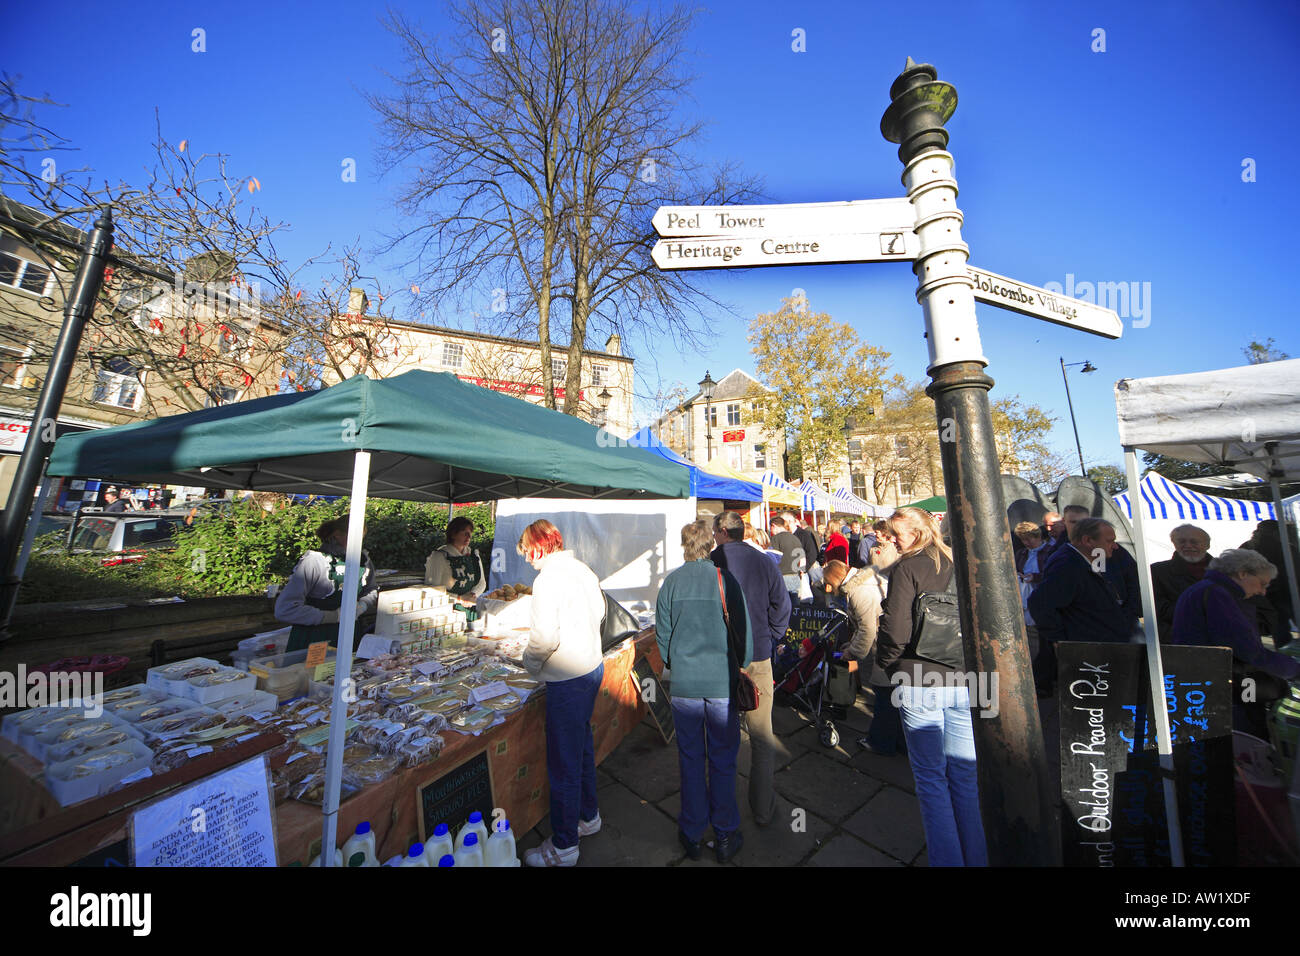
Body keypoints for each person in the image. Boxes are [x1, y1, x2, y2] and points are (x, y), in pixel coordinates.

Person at [875, 507, 986, 866]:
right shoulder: (965, 562)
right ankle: (976, 857)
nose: (890, 539)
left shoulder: (908, 568)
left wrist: (889, 663)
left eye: (897, 533)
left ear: (919, 534)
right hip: (966, 677)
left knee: (931, 779)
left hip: (920, 679)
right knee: (965, 776)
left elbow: (895, 631)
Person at [657, 519, 752, 863]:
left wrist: (676, 662)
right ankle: (725, 834)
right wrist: (742, 662)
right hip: (721, 683)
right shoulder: (726, 580)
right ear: (711, 544)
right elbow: (744, 634)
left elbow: (663, 636)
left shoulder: (671, 582)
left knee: (691, 759)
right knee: (724, 760)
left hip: (685, 684)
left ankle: (692, 833)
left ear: (684, 545)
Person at [517, 519, 607, 867]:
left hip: (568, 678)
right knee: (581, 747)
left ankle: (565, 845)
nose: (526, 558)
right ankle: (588, 817)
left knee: (563, 761)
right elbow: (599, 612)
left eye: (527, 550)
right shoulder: (581, 568)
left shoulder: (547, 579)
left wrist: (528, 663)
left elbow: (544, 638)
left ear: (539, 545)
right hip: (589, 667)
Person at [711, 511, 790, 828]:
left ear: (721, 532)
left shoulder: (710, 562)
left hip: (722, 658)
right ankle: (762, 809)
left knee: (722, 737)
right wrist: (770, 636)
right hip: (756, 655)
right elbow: (782, 607)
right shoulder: (764, 561)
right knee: (761, 736)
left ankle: (723, 811)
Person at [1172, 549, 1300, 736]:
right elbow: (1247, 650)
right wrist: (1294, 670)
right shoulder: (1218, 594)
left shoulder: (1205, 589)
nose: (1262, 592)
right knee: (1241, 741)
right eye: (1262, 584)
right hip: (1223, 685)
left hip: (1205, 682)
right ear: (1242, 573)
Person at [1028, 518, 1132, 695]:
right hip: (1087, 657)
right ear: (1087, 541)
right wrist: (1061, 641)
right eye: (1109, 541)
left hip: (1097, 651)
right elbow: (1040, 603)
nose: (1114, 546)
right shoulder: (1069, 564)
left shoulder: (1080, 560)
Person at [274, 514, 379, 652]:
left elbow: (371, 589)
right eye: (354, 538)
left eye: (361, 538)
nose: (358, 543)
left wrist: (362, 606)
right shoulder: (315, 562)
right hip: (314, 638)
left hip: (350, 635)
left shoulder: (363, 561)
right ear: (336, 535)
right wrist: (332, 616)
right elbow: (284, 609)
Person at [1150, 524, 1213, 642]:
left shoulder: (1225, 572)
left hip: (1219, 640)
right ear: (1174, 543)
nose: (1188, 546)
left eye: (1194, 542)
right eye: (1182, 541)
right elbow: (1156, 608)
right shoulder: (1157, 571)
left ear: (1207, 545)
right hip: (1176, 640)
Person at [1240, 519, 1298, 645]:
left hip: (1258, 593)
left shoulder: (1247, 547)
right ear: (1276, 531)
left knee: (1274, 627)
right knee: (1282, 623)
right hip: (1285, 592)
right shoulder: (1286, 547)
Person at [1014, 521, 1051, 670]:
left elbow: (1051, 575)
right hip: (1026, 597)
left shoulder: (1050, 551)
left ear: (1038, 536)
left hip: (1043, 597)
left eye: (1030, 539)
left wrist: (1034, 577)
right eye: (1023, 539)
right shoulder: (1021, 553)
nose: (1027, 543)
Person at [424, 515, 486, 600]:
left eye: (470, 532)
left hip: (470, 605)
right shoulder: (439, 556)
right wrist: (459, 598)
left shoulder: (473, 555)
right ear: (453, 534)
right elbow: (433, 589)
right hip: (447, 606)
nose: (469, 536)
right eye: (464, 533)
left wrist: (472, 595)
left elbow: (481, 583)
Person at [769, 515, 806, 596]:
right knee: (795, 604)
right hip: (795, 576)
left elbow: (772, 559)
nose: (771, 531)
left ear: (773, 525)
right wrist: (801, 571)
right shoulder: (795, 538)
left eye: (771, 528)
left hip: (781, 577)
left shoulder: (775, 539)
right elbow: (802, 558)